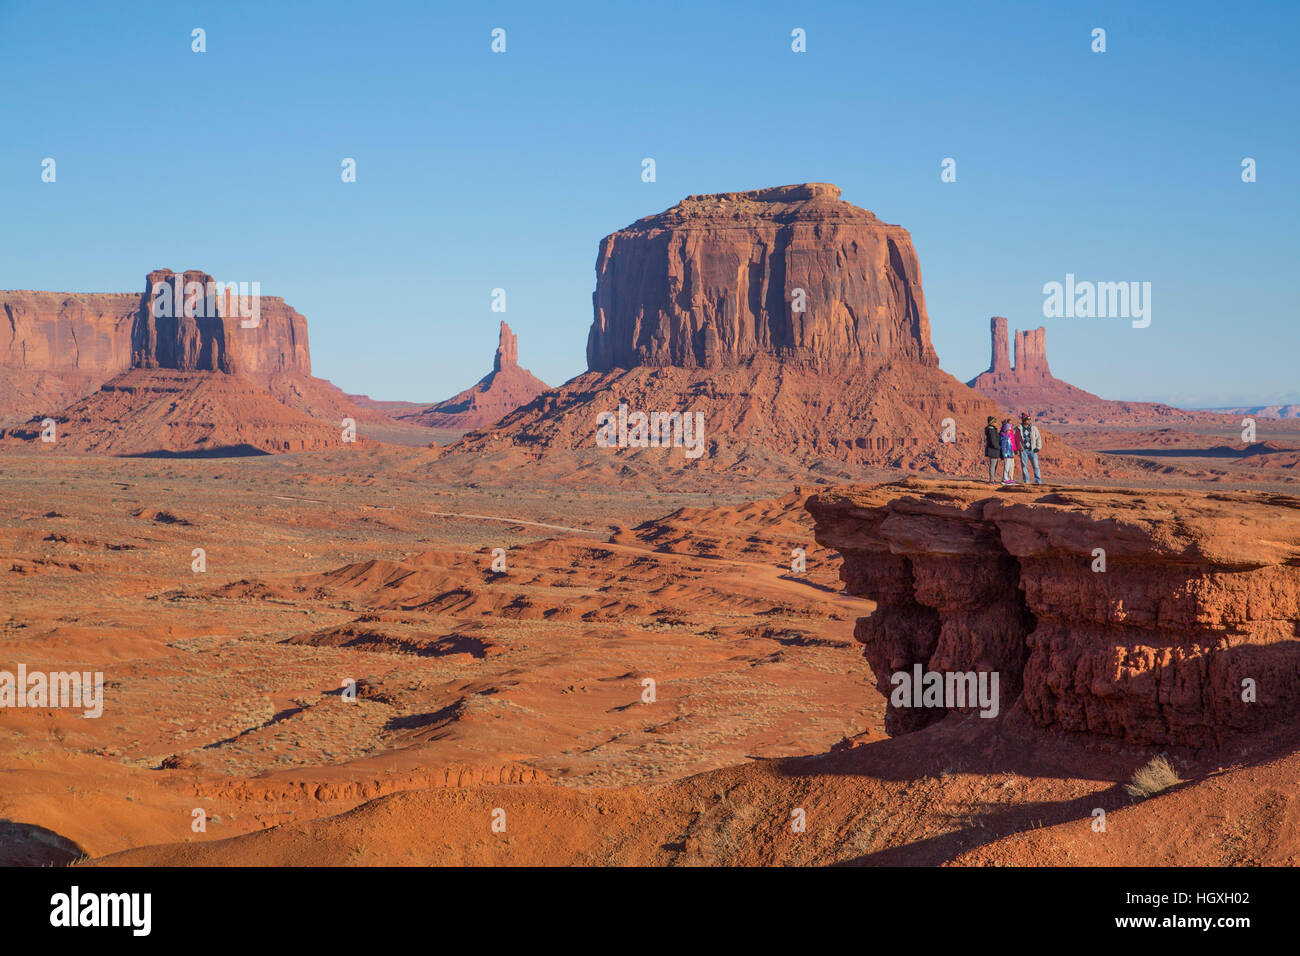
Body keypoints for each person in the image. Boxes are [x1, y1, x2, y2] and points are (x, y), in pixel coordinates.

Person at [1018, 412, 1043, 484]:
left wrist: (1038, 447)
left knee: (1036, 466)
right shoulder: (1018, 428)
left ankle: (1038, 481)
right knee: (1024, 466)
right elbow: (1015, 438)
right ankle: (1026, 481)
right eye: (1027, 420)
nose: (1029, 421)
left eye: (1029, 420)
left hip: (1032, 450)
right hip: (1023, 450)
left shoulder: (1033, 428)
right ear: (1024, 420)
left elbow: (1038, 438)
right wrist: (1017, 448)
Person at [998, 419, 1018, 484]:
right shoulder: (1004, 437)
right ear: (1006, 430)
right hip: (1007, 454)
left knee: (1009, 466)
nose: (1009, 431)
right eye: (1008, 430)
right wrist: (1004, 454)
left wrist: (1012, 452)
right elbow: (1003, 447)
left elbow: (1010, 445)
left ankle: (1008, 479)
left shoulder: (1007, 436)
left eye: (1010, 430)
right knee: (1006, 467)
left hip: (1010, 454)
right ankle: (1005, 479)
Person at [983, 416, 1000, 482]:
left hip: (993, 450)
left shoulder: (992, 429)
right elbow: (993, 441)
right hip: (993, 450)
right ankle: (991, 480)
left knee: (994, 465)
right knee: (993, 465)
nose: (996, 423)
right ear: (992, 422)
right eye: (995, 422)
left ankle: (992, 479)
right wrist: (998, 447)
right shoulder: (991, 430)